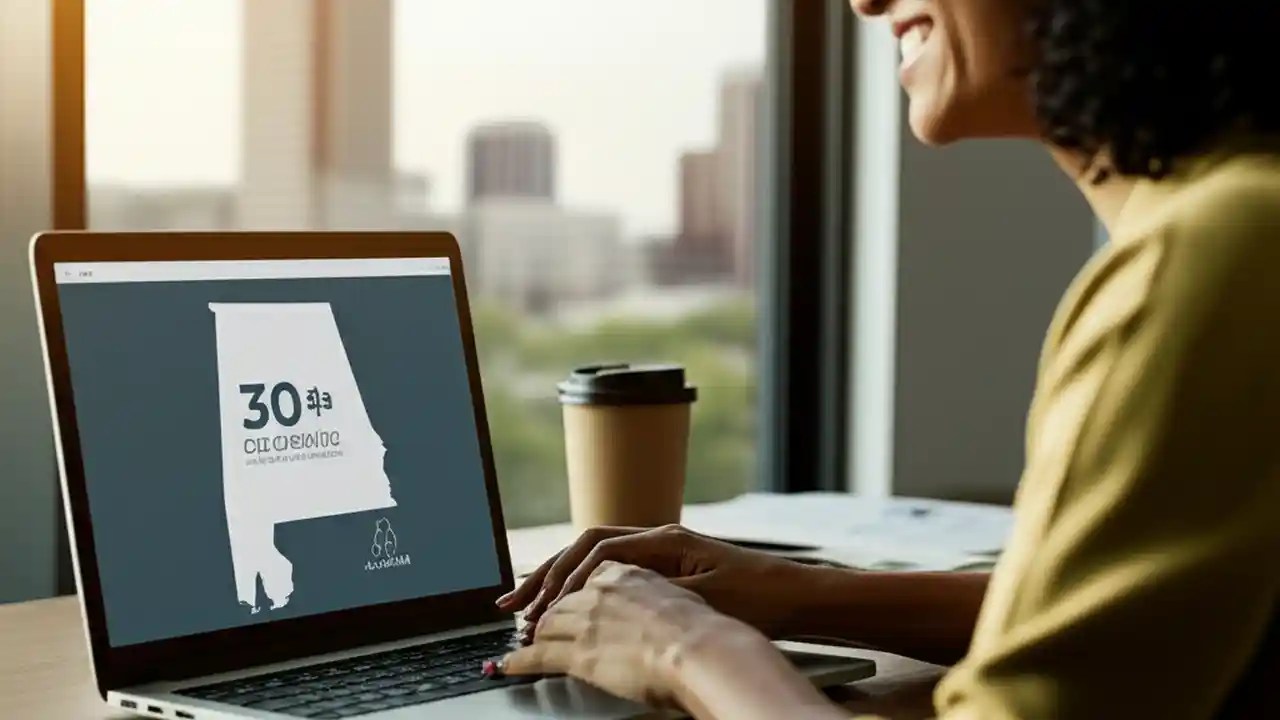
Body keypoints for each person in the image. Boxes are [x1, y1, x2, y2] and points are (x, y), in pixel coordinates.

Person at [490, 1, 1280, 717]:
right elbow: (1135, 622)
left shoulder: (1211, 257)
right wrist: (803, 596)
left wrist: (687, 651)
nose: (864, 2)